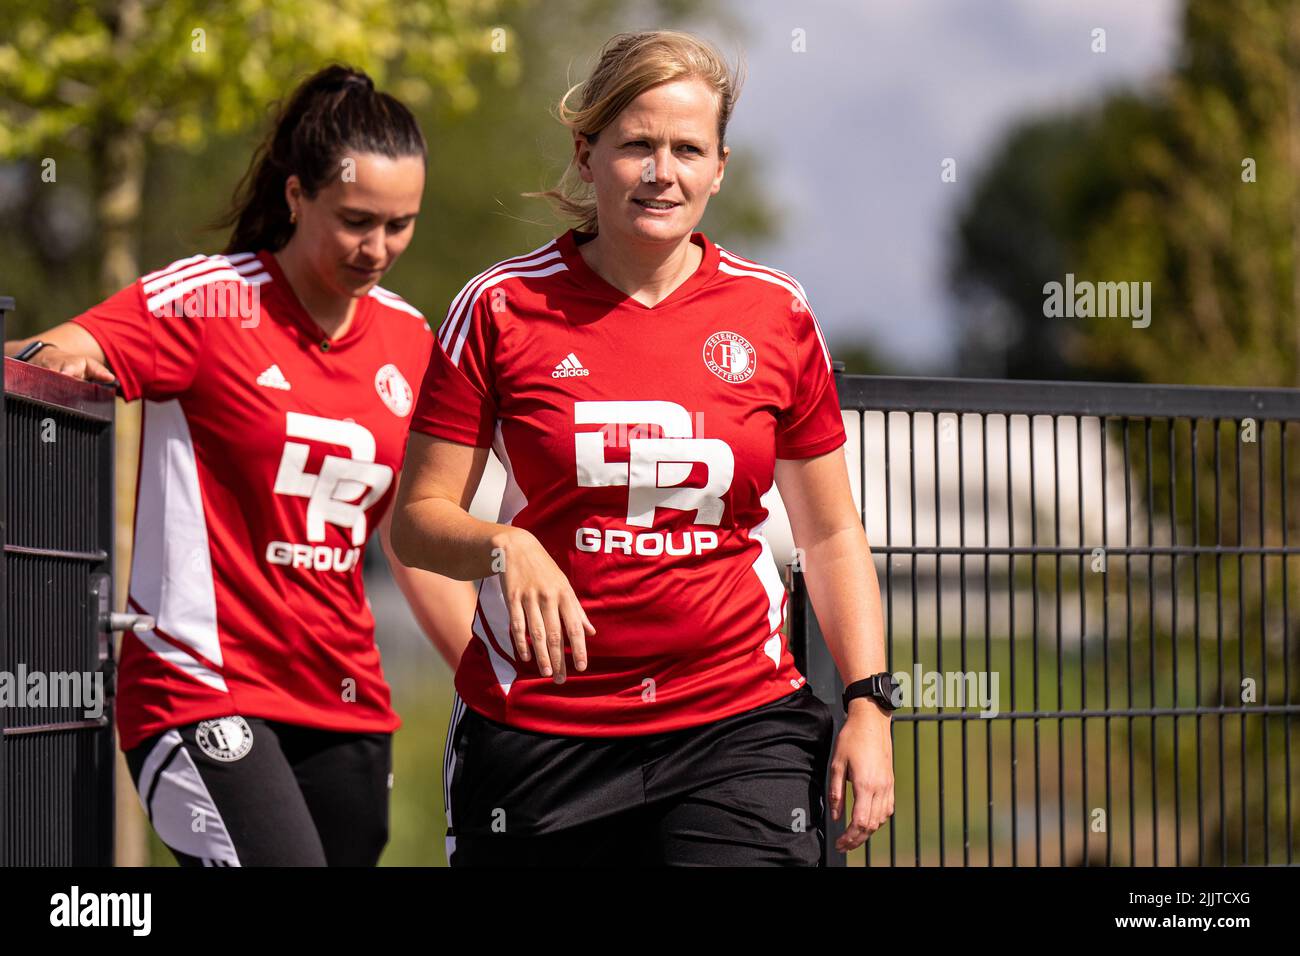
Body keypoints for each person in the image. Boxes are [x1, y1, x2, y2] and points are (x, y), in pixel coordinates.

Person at [391, 30, 895, 866]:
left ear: (720, 167)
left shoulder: (777, 314)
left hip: (736, 727)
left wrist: (869, 705)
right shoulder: (500, 307)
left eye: (688, 149)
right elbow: (415, 522)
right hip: (543, 737)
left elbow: (831, 532)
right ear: (587, 155)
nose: (665, 172)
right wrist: (502, 546)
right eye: (638, 146)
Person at [4, 65, 476, 866]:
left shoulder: (411, 339)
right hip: (200, 693)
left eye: (401, 225)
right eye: (357, 220)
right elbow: (42, 358)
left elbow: (411, 539)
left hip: (345, 704)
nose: (378, 249)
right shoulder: (209, 302)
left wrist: (508, 690)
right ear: (295, 197)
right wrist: (54, 366)